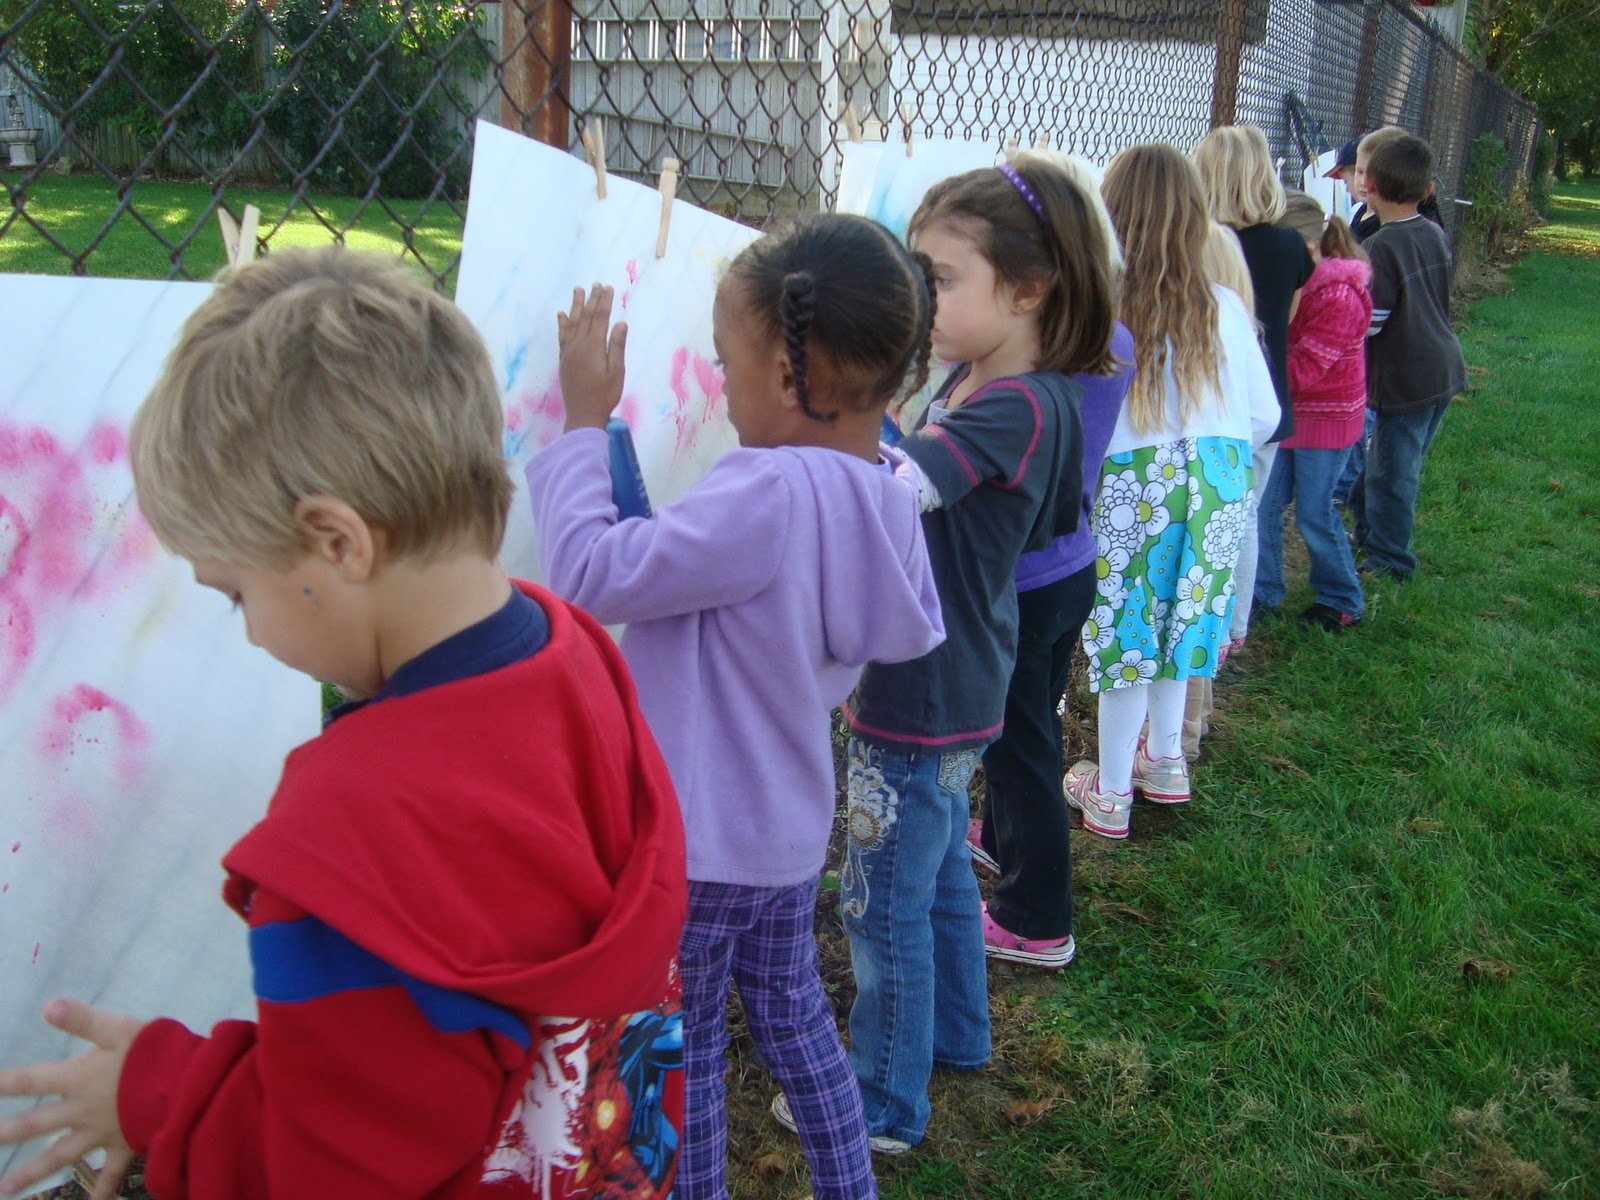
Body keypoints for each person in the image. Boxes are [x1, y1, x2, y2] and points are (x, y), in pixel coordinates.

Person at [0, 247, 689, 1200]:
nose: (246, 634)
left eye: (238, 593)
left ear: (337, 542)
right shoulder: (576, 656)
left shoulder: (351, 838)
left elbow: (329, 1167)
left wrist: (160, 1096)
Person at [526, 214, 946, 1200]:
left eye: (726, 363)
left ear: (800, 378)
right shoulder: (884, 491)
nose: (716, 384)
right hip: (788, 837)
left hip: (701, 844)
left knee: (695, 1049)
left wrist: (585, 423)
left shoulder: (763, 490)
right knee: (799, 1029)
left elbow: (592, 573)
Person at [840, 157, 1110, 1149]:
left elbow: (887, 489)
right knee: (941, 871)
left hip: (923, 686)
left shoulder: (1012, 403)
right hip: (955, 672)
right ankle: (955, 1035)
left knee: (880, 904)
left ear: (1029, 289)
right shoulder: (991, 380)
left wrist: (810, 406)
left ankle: (881, 1101)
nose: (917, 296)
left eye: (937, 277)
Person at [1064, 144, 1279, 841]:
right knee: (1185, 621)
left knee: (1129, 634)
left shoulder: (1100, 304)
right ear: (1195, 216)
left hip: (1132, 484)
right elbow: (1266, 416)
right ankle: (1166, 761)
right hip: (1217, 480)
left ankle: (1113, 791)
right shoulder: (1222, 305)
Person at [965, 151, 1134, 970]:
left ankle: (1036, 916)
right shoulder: (1109, 337)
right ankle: (999, 836)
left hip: (1025, 582)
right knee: (1029, 722)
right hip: (1070, 569)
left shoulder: (1033, 365)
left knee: (1021, 738)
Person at [1192, 125, 1315, 655]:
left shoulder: (1199, 244)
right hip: (1266, 403)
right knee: (1243, 519)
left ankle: (1207, 620)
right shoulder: (1289, 244)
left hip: (1205, 403)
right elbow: (1287, 314)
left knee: (1203, 520)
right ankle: (1233, 629)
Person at [1349, 134, 1466, 582]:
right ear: (1428, 189)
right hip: (1442, 367)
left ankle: (1390, 561)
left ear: (1370, 186)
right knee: (1384, 464)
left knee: (1393, 474)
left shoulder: (1382, 246)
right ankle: (1368, 533)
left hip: (1408, 376)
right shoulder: (1432, 232)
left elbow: (1371, 323)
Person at [1255, 191, 1371, 630]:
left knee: (1313, 511)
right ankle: (1264, 590)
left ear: (1302, 249)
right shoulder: (1297, 285)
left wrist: (1250, 373)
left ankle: (1342, 598)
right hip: (1291, 415)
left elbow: (1305, 367)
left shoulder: (1338, 295)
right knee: (1266, 504)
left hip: (1326, 421)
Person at [1180, 219, 1259, 762]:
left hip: (1181, 487)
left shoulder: (1192, 339)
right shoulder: (1240, 333)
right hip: (1224, 485)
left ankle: (1177, 740)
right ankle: (1193, 724)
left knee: (1176, 623)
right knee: (1199, 607)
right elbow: (1267, 415)